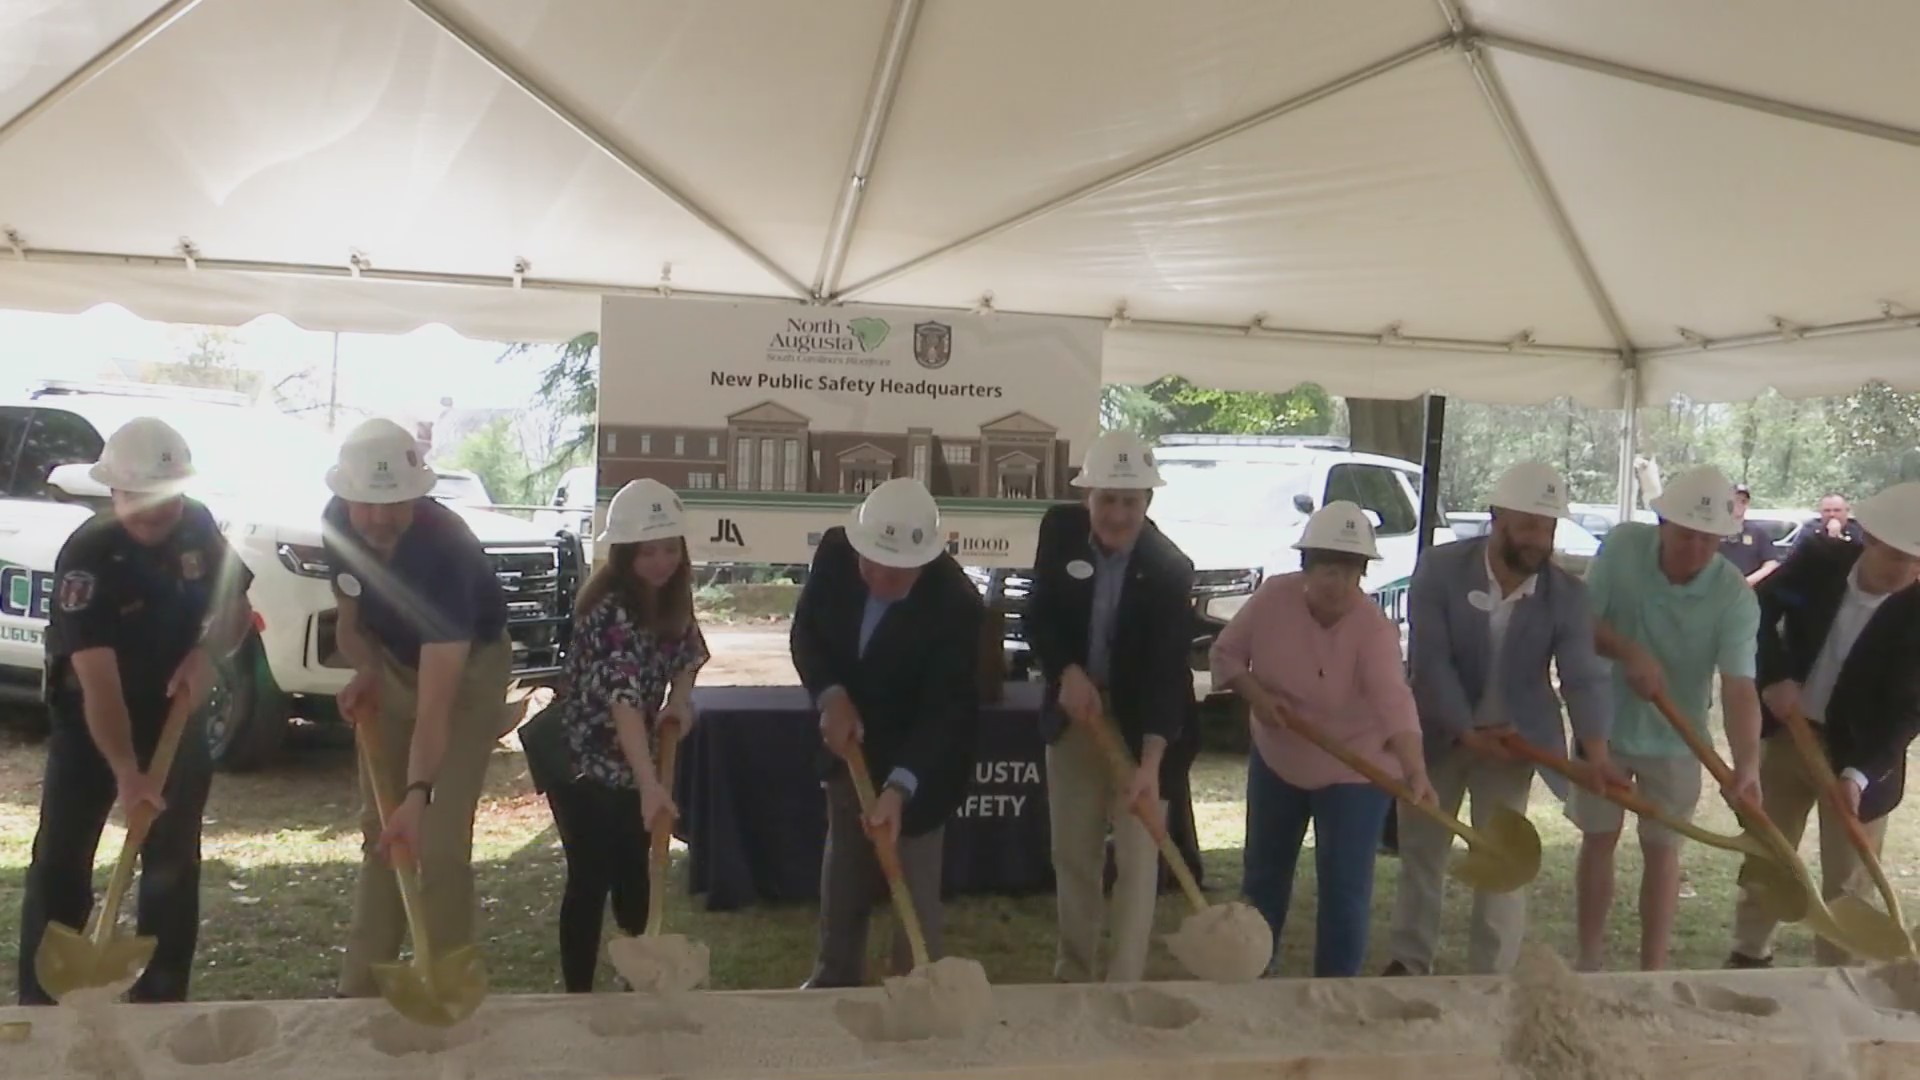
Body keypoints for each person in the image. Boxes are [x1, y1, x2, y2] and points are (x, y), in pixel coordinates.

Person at [18, 417, 254, 1004]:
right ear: (114, 492)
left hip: (174, 709)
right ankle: (42, 998)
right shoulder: (89, 558)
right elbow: (98, 685)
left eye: (165, 498)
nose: (155, 511)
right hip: (91, 719)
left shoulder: (197, 525)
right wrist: (127, 771)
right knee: (62, 858)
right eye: (140, 498)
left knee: (173, 858)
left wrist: (207, 654)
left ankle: (161, 996)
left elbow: (237, 609)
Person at [1385, 462, 1614, 977]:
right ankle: (1408, 960)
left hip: (1515, 743)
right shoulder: (1439, 570)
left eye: (1549, 527)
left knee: (1504, 857)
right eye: (1529, 524)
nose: (1540, 539)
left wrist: (1597, 755)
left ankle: (1493, 975)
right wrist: (1466, 730)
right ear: (1496, 519)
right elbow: (1431, 662)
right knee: (1423, 849)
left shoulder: (1567, 595)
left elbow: (1583, 675)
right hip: (1438, 734)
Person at [322, 417, 513, 998]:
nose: (380, 519)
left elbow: (438, 705)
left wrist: (417, 794)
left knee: (437, 839)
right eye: (367, 505)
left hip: (468, 672)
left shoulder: (446, 551)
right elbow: (351, 622)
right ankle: (360, 989)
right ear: (346, 496)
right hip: (393, 659)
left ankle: (451, 984)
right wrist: (368, 670)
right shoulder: (335, 522)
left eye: (395, 505)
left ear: (417, 495)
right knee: (381, 833)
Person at [1211, 501, 1435, 978]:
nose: (1337, 582)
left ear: (1363, 575)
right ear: (1305, 566)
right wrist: (1258, 697)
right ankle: (1250, 975)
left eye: (1349, 570)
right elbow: (1226, 654)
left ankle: (1337, 993)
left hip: (1355, 767)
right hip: (1279, 755)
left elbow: (1395, 704)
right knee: (1263, 877)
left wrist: (1415, 771)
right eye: (1326, 567)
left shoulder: (1374, 631)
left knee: (1345, 887)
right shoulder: (1273, 599)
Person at [1565, 464, 1763, 972]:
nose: (1696, 550)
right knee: (1599, 838)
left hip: (1679, 739)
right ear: (1662, 524)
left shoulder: (1734, 596)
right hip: (1602, 727)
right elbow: (1580, 625)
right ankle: (1589, 961)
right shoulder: (1623, 548)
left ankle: (1651, 971)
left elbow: (1740, 688)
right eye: (1686, 536)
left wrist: (1748, 766)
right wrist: (1629, 651)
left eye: (1709, 541)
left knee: (1662, 851)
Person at [789, 477, 983, 988]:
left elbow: (945, 713)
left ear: (924, 561)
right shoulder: (835, 553)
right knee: (844, 876)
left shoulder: (957, 605)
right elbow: (806, 633)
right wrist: (830, 694)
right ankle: (833, 980)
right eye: (869, 561)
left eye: (894, 572)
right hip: (846, 748)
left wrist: (899, 788)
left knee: (912, 895)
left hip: (920, 771)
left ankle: (919, 995)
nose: (876, 575)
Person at [1727, 481, 1920, 968]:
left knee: (1849, 882)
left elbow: (1910, 710)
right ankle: (1749, 956)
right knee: (1770, 856)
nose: (1913, 571)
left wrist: (1858, 775)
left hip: (1861, 758)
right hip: (1790, 736)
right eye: (1902, 557)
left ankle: (1839, 980)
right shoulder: (1818, 562)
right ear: (1870, 540)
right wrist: (1773, 677)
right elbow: (1754, 612)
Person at [1025, 431, 1195, 984]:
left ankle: (1123, 982)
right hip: (1076, 717)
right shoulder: (1059, 532)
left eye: (1131, 502)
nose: (1118, 515)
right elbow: (1039, 615)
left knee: (1139, 858)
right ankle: (1073, 971)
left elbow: (1169, 675)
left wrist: (1148, 766)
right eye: (1107, 500)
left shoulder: (1170, 569)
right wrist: (1066, 671)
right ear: (1087, 496)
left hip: (1141, 725)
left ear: (1148, 503)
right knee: (1073, 852)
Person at [539, 479, 707, 992]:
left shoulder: (671, 596)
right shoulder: (609, 610)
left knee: (637, 873)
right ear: (624, 552)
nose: (660, 561)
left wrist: (680, 700)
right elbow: (625, 705)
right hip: (580, 762)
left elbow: (689, 654)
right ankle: (578, 996)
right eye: (648, 551)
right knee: (590, 878)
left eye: (669, 549)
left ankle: (641, 982)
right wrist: (651, 783)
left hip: (633, 761)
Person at [1719, 484, 1781, 586]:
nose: (1739, 504)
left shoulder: (1757, 532)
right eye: (1735, 500)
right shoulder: (1711, 532)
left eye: (1743, 501)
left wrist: (1748, 582)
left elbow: (1771, 564)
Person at [1796, 494, 1865, 551]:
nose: (1832, 514)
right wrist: (1830, 539)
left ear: (1847, 511)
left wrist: (1839, 538)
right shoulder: (1810, 531)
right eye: (1827, 510)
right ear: (1820, 512)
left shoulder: (1858, 529)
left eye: (1837, 510)